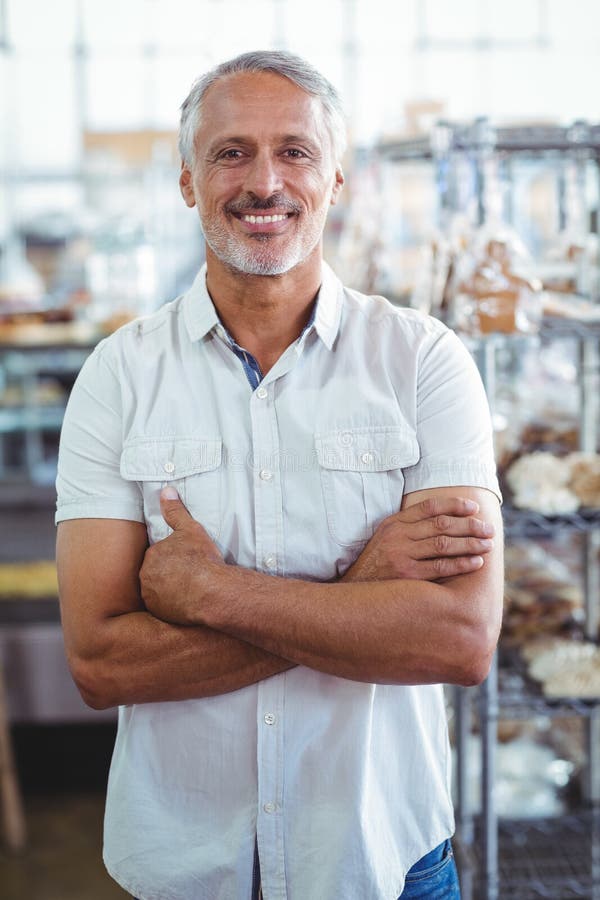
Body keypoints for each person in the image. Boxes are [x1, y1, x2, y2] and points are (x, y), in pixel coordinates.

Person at [56, 50, 503, 900]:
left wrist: (210, 593)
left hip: (383, 860)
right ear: (188, 181)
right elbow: (102, 661)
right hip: (185, 868)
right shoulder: (118, 375)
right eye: (231, 152)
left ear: (338, 178)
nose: (265, 182)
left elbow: (457, 639)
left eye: (295, 151)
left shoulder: (423, 362)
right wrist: (360, 589)